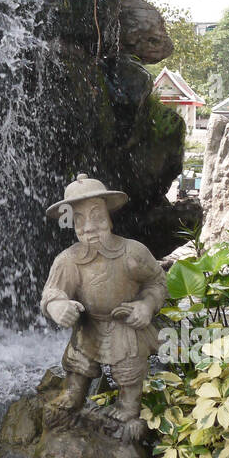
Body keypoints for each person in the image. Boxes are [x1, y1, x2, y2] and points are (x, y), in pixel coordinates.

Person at [40, 175, 168, 440]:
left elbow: (156, 281)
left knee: (128, 369)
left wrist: (146, 304)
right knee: (78, 363)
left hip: (125, 323)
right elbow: (52, 292)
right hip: (89, 324)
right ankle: (74, 396)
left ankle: (129, 409)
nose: (89, 228)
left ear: (109, 217)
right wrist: (57, 306)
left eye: (97, 217)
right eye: (79, 220)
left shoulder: (132, 253)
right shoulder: (68, 261)